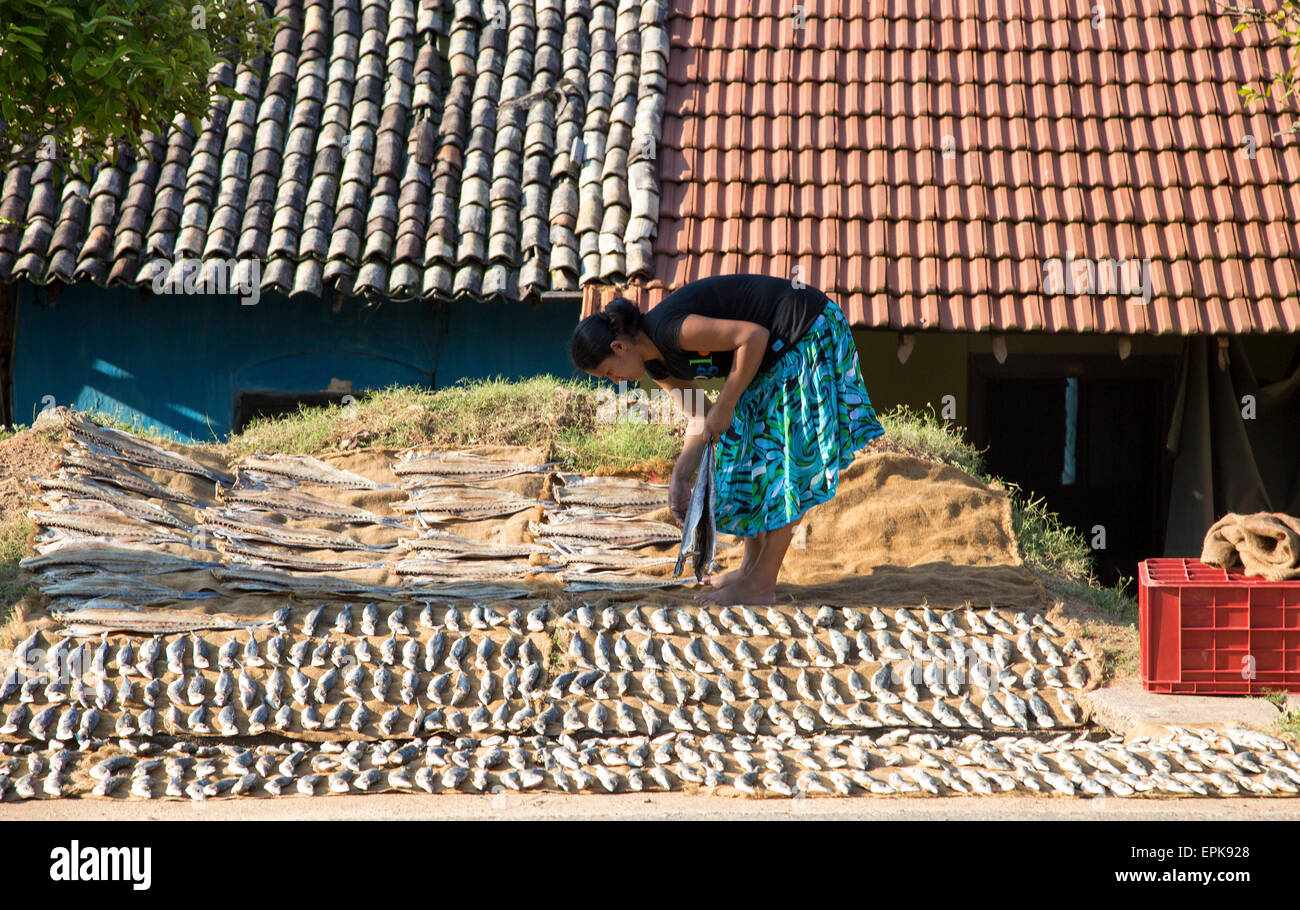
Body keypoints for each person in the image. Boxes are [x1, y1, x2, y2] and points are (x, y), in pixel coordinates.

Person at [569, 273, 885, 605]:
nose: (615, 381)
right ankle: (750, 566)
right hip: (771, 357)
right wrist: (680, 476)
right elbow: (701, 417)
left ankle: (762, 583)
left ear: (619, 347)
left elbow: (752, 335)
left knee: (787, 461)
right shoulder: (658, 368)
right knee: (749, 453)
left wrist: (727, 403)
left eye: (608, 373)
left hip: (805, 330)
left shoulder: (668, 330)